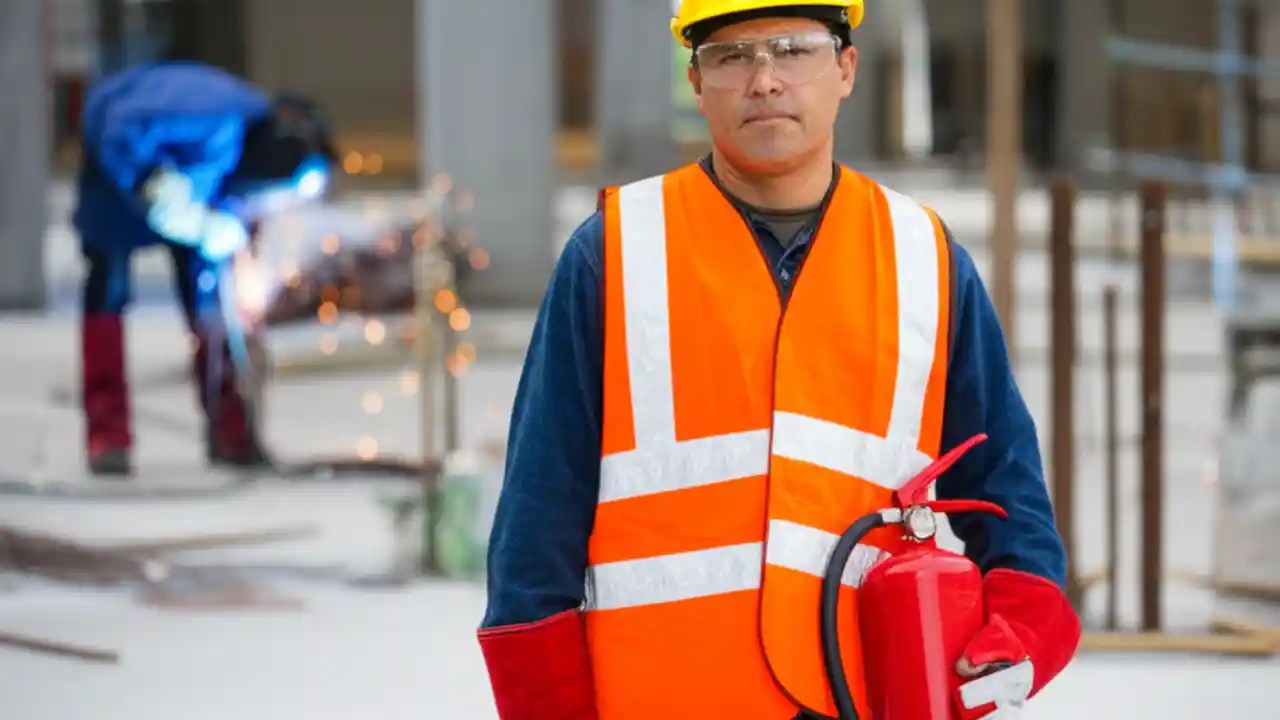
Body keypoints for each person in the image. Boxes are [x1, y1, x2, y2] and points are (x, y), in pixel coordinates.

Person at [477, 2, 1081, 718]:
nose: (764, 79)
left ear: (846, 68)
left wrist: (1021, 626)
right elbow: (535, 529)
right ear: (697, 83)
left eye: (793, 50)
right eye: (733, 57)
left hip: (861, 699)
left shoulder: (924, 258)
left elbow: (1008, 487)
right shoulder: (612, 256)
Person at [74, 61, 337, 477]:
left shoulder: (247, 153)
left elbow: (243, 201)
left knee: (211, 300)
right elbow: (116, 127)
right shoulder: (208, 117)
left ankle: (231, 431)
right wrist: (151, 183)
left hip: (196, 186)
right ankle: (108, 437)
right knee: (108, 289)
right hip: (116, 170)